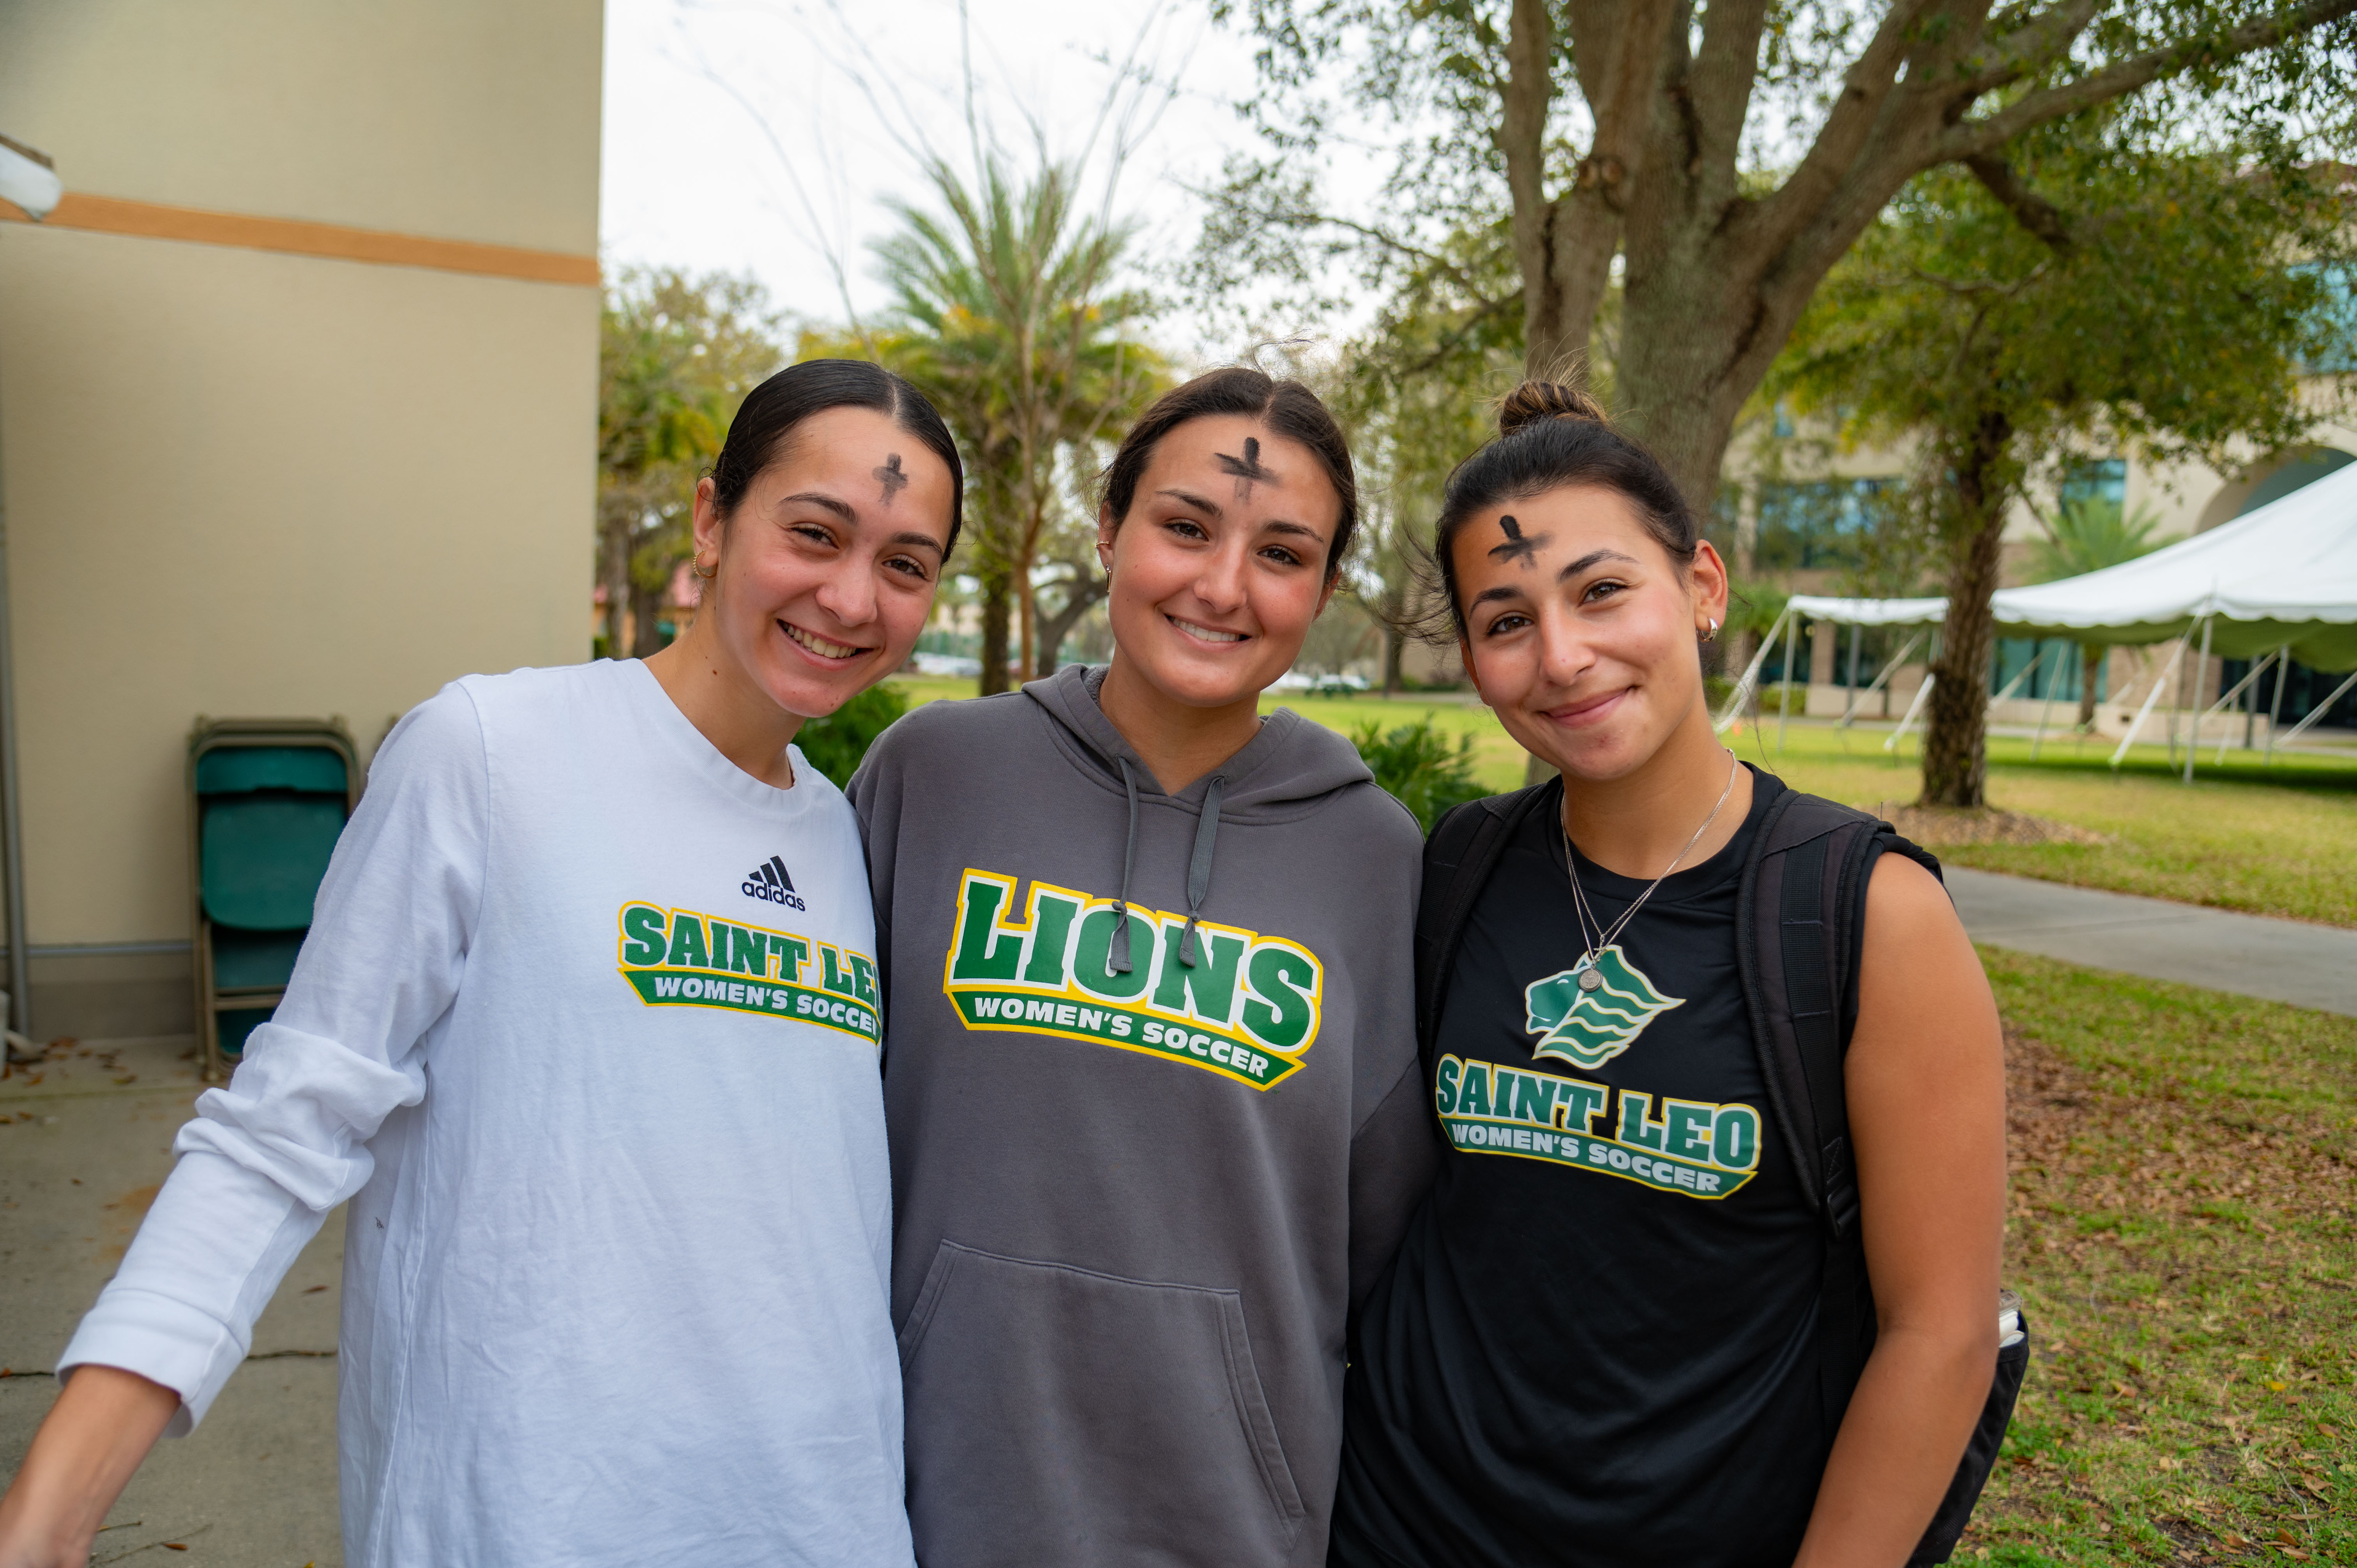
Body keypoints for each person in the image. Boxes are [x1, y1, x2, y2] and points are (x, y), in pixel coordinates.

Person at [0, 360, 963, 1568]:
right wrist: (55, 1508)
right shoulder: (493, 751)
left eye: (906, 565)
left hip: (816, 1515)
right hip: (534, 1511)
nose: (852, 597)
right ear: (713, 520)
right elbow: (284, 1127)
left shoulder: (841, 838)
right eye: (814, 533)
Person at [1329, 381, 2007, 1568]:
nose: (1563, 656)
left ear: (1702, 587)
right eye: (1506, 620)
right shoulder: (1458, 868)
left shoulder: (1865, 912)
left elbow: (1940, 1334)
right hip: (1395, 1529)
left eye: (1601, 591)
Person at [846, 366, 1437, 1568]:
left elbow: (1388, 1243)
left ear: (1325, 589)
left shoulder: (1375, 858)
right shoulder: (932, 777)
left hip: (1226, 1521)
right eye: (1186, 527)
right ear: (1110, 528)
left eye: (1282, 554)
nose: (1223, 586)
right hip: (912, 1500)